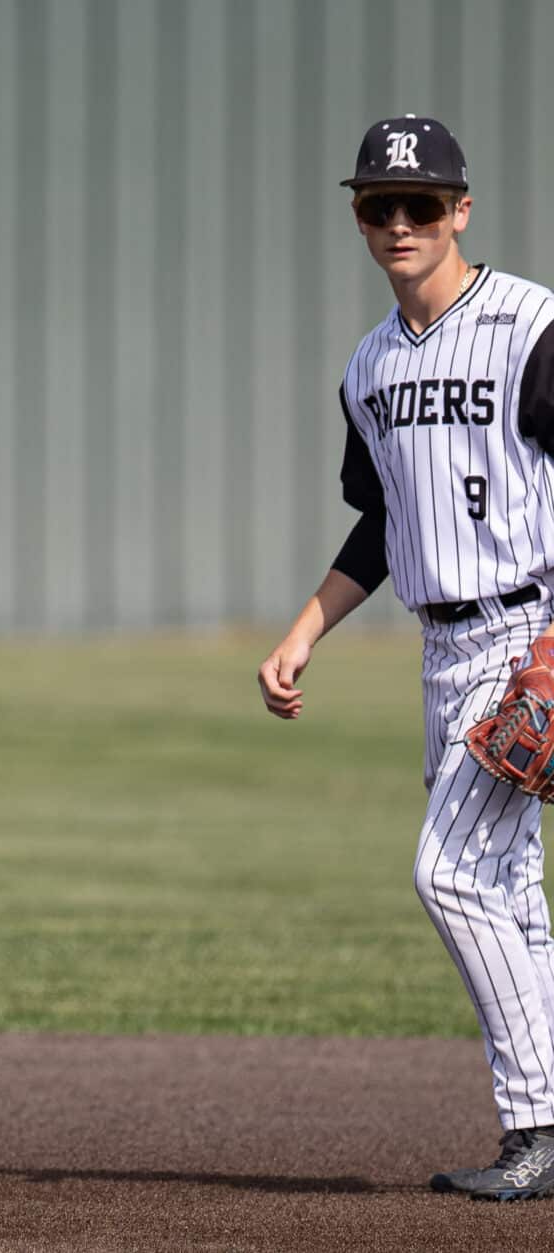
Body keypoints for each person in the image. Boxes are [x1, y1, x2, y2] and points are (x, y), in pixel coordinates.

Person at [259, 115, 554, 1201]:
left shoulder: (531, 325)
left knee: (446, 875)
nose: (396, 223)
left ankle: (537, 1124)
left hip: (530, 632)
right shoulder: (371, 363)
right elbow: (381, 522)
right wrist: (303, 630)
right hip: (439, 650)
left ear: (459, 210)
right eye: (376, 206)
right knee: (510, 899)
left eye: (418, 204)